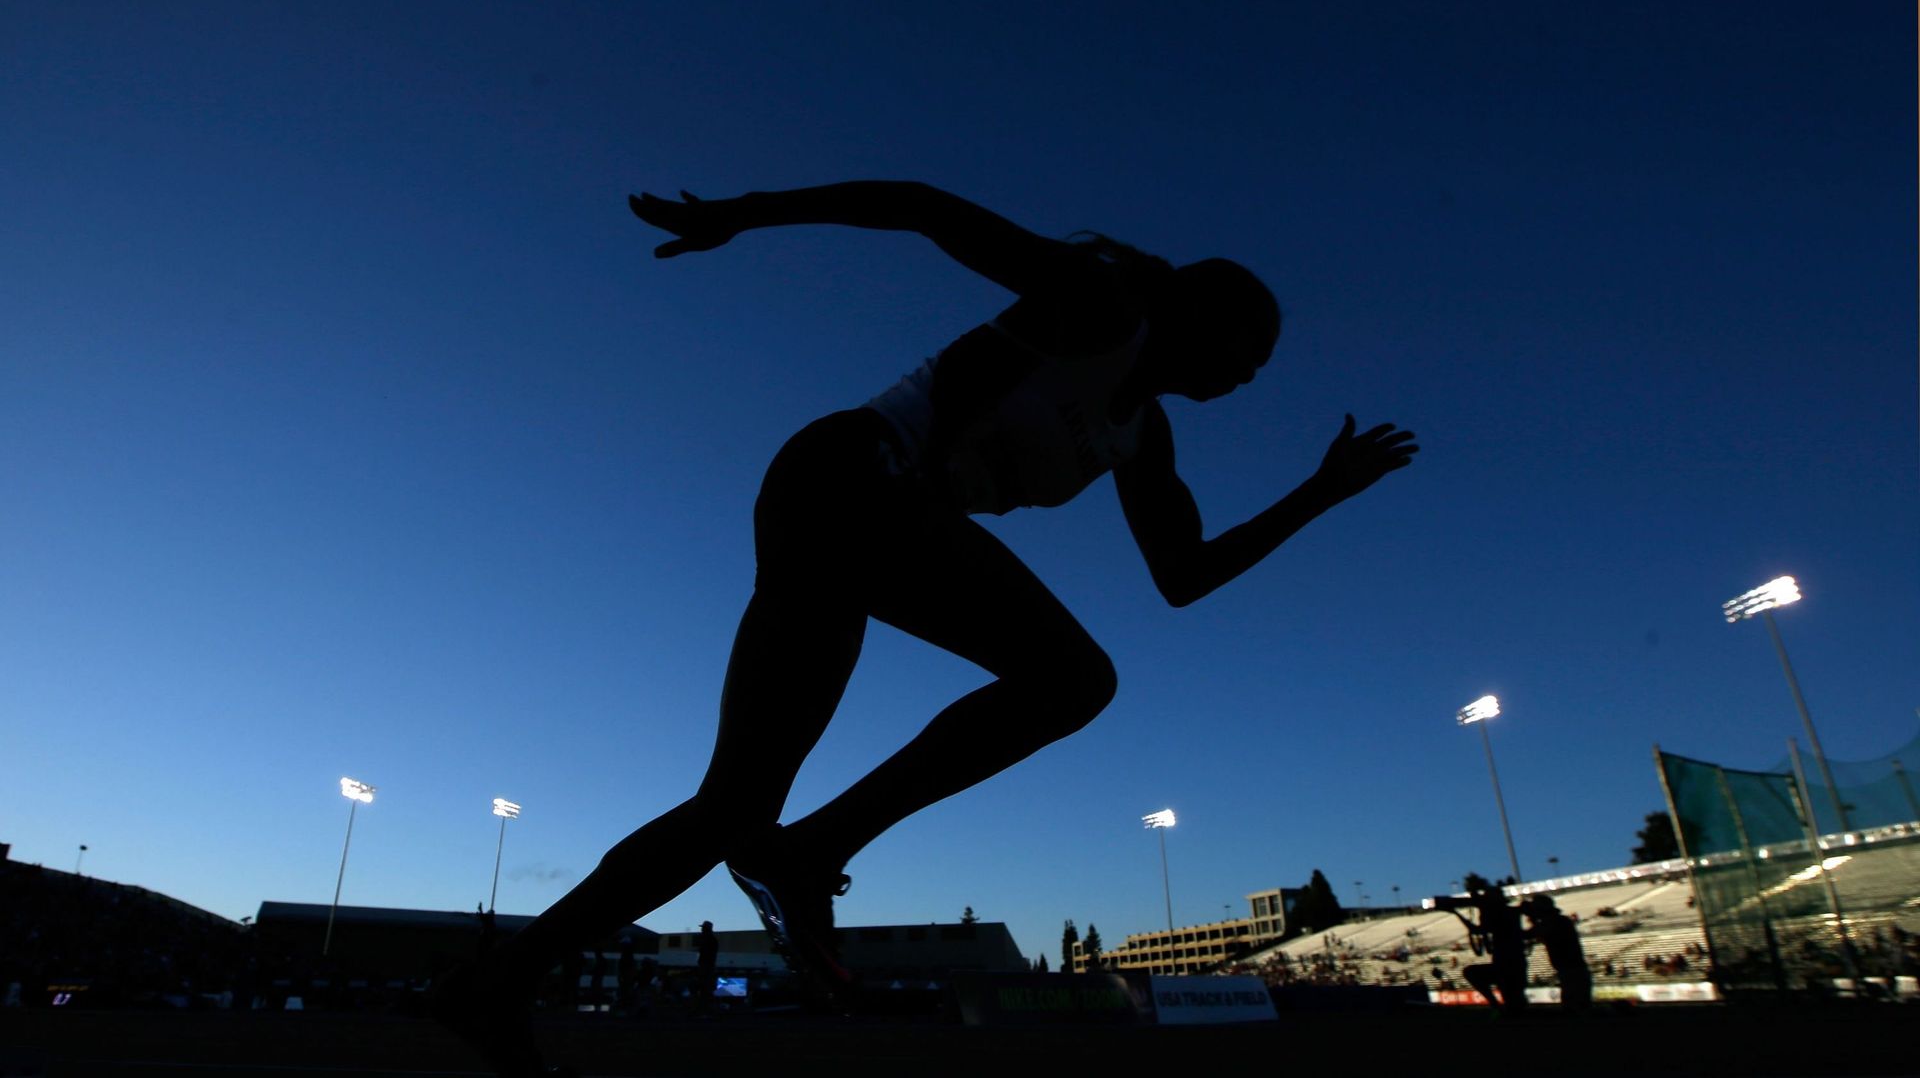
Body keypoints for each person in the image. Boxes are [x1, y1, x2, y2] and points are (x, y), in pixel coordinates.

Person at [432, 180, 1418, 1074]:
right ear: (1200, 315)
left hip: (865, 523)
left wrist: (1320, 494)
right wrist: (742, 215)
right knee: (1072, 677)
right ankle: (808, 850)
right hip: (853, 473)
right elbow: (921, 207)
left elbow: (1185, 576)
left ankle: (499, 982)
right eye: (1250, 352)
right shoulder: (1101, 299)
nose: (1251, 377)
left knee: (733, 803)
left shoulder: (1145, 435)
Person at [1458, 888, 1529, 1014]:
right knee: (1514, 999)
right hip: (1512, 962)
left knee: (1513, 1000)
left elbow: (1478, 930)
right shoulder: (1510, 912)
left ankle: (1498, 1007)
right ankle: (1505, 1009)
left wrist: (1457, 914)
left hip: (1508, 962)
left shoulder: (1501, 914)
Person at [1522, 895, 1591, 1011]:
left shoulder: (1556, 922)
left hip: (1572, 971)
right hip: (1572, 970)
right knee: (1577, 1006)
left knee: (1575, 1007)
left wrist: (1532, 918)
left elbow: (1532, 933)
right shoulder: (1560, 920)